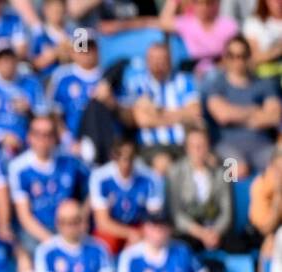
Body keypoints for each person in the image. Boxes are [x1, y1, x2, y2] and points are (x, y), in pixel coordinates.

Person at [203, 35, 281, 176]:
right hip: (226, 146)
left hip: (261, 146)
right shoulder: (217, 84)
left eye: (242, 55)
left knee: (279, 167)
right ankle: (226, 198)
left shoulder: (264, 84)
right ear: (225, 57)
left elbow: (274, 117)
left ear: (249, 57)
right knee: (235, 171)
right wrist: (255, 110)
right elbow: (222, 115)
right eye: (232, 56)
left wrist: (236, 115)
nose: (237, 60)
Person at [8, 115, 89, 249]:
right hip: (37, 231)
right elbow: (25, 217)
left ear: (54, 137)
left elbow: (92, 187)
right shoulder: (19, 168)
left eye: (48, 134)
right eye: (38, 134)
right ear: (30, 137)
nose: (43, 140)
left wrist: (82, 217)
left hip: (69, 226)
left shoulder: (68, 161)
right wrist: (53, 243)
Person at [118, 41, 200, 168]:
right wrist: (180, 114)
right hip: (151, 146)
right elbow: (139, 120)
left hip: (182, 144)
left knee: (205, 161)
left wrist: (156, 113)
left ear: (170, 61)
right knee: (163, 163)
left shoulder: (183, 81)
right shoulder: (136, 85)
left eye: (162, 59)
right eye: (153, 59)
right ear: (147, 61)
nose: (158, 64)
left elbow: (195, 113)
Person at [166, 124, 239, 253]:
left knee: (237, 246)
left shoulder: (221, 171)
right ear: (187, 148)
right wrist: (200, 233)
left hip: (215, 230)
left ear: (208, 146)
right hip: (189, 231)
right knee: (182, 246)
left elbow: (227, 212)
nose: (198, 150)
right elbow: (176, 214)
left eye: (202, 145)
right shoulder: (175, 172)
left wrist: (214, 232)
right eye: (194, 146)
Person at [89, 138, 163, 253]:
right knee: (104, 244)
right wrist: (129, 233)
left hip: (139, 226)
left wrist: (140, 234)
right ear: (113, 157)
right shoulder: (100, 178)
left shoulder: (150, 178)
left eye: (130, 158)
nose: (126, 163)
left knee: (154, 240)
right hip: (113, 227)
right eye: (121, 158)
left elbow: (154, 218)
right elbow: (102, 222)